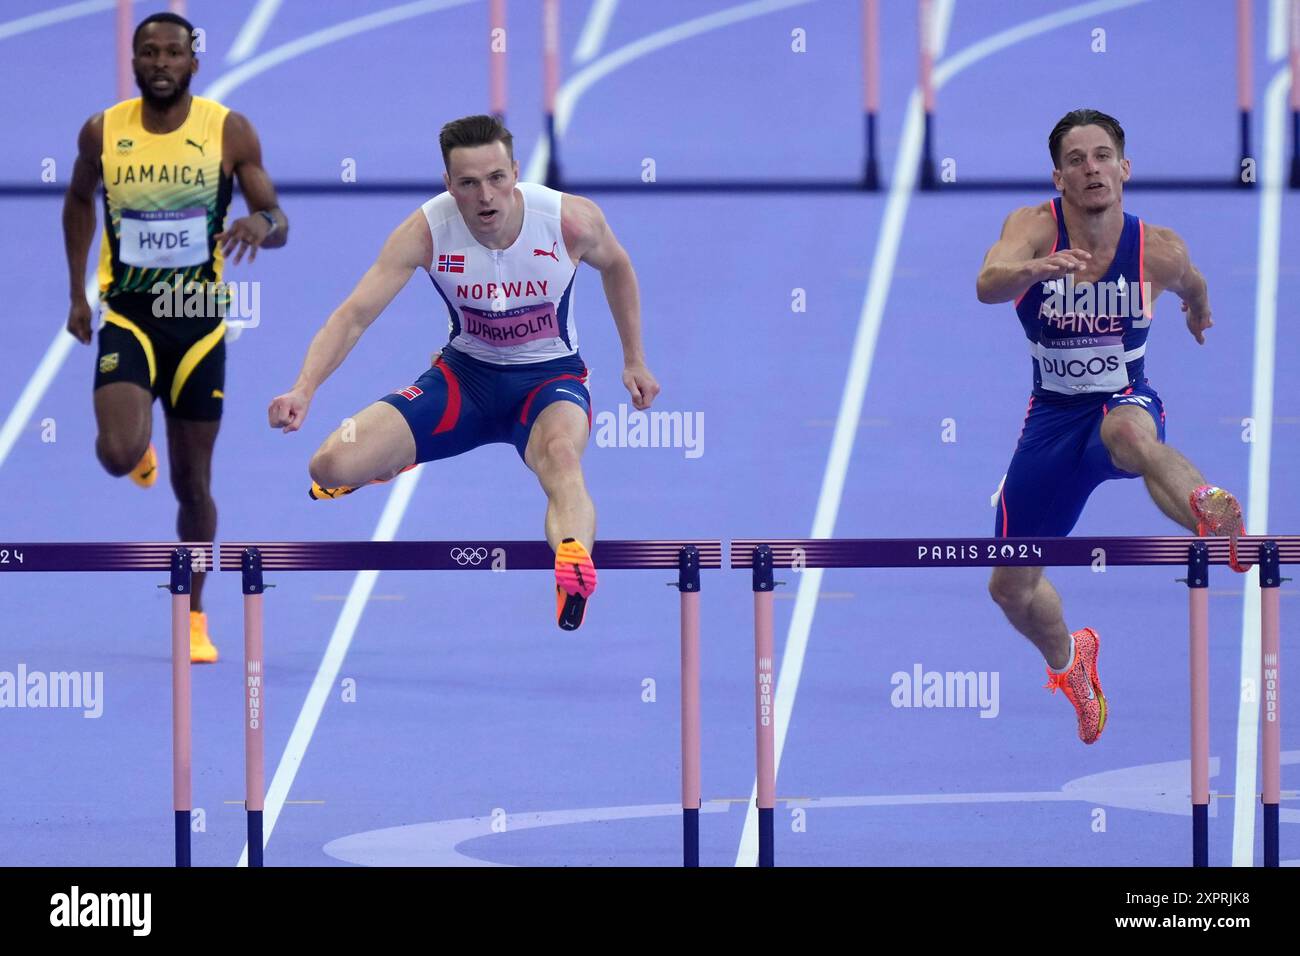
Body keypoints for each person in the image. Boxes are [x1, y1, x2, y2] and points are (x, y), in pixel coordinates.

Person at [267, 114, 658, 630]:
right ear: (448, 185)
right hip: (463, 380)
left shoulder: (569, 222)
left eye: (497, 178)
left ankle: (571, 565)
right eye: (469, 183)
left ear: (516, 171)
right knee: (329, 467)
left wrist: (634, 358)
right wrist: (304, 387)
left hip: (548, 383)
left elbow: (619, 267)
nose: (486, 196)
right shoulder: (425, 232)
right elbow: (354, 315)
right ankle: (394, 459)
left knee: (561, 459)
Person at [975, 108, 1246, 744]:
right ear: (1059, 176)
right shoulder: (1034, 227)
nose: (1091, 168)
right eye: (1077, 160)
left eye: (1102, 157)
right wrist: (1032, 271)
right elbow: (987, 283)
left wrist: (1198, 311)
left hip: (1122, 399)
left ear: (1124, 170)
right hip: (1050, 420)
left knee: (1130, 436)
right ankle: (1073, 665)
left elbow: (1195, 285)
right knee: (1010, 587)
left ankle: (1212, 515)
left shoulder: (1160, 248)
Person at [63, 11, 289, 662]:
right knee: (115, 452)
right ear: (133, 63)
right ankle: (136, 453)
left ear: (193, 64)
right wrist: (77, 292)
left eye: (173, 53)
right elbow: (79, 200)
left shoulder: (228, 131)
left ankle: (193, 612)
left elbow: (277, 214)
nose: (161, 62)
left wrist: (261, 225)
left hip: (198, 325)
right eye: (149, 53)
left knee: (193, 488)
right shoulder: (103, 131)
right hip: (130, 314)